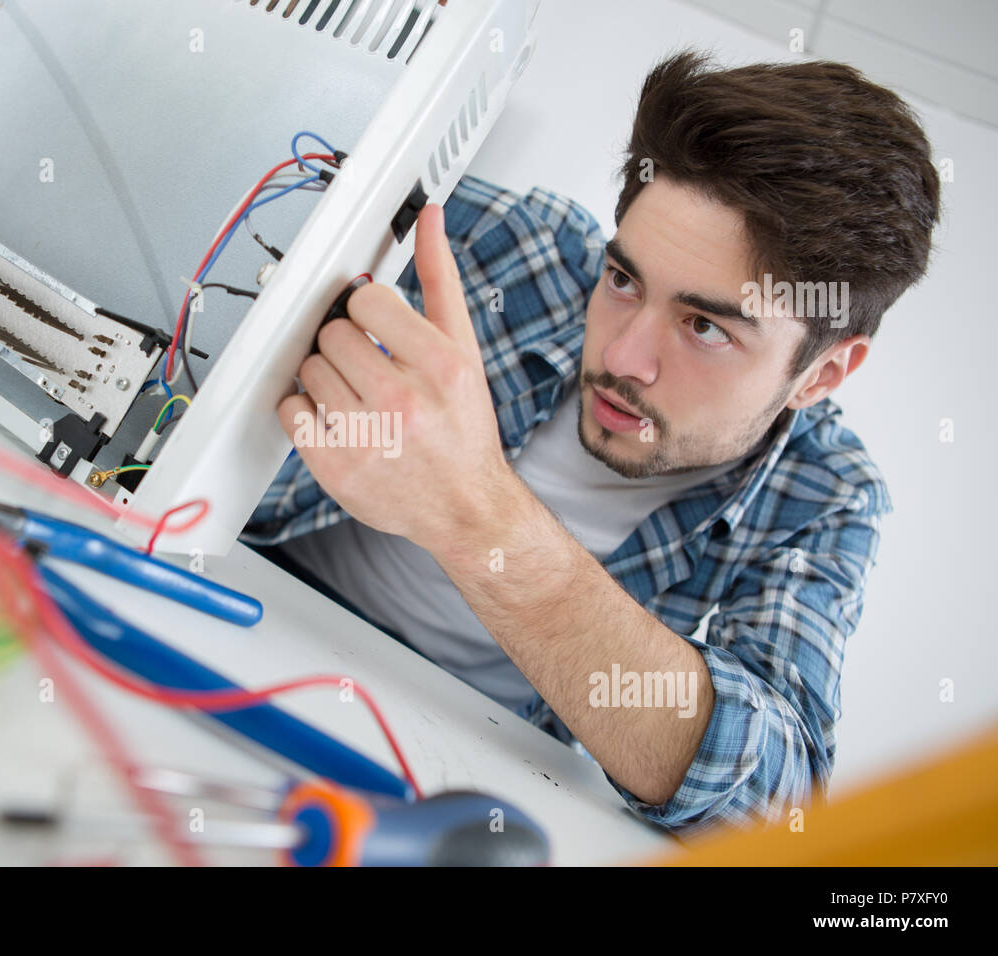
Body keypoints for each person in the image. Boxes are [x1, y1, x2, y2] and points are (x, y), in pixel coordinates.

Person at [242, 51, 941, 833]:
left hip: (451, 768)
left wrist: (477, 514)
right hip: (249, 610)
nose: (618, 358)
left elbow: (771, 807)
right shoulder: (515, 245)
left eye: (705, 326)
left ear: (822, 372)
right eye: (623, 281)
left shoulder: (824, 495)